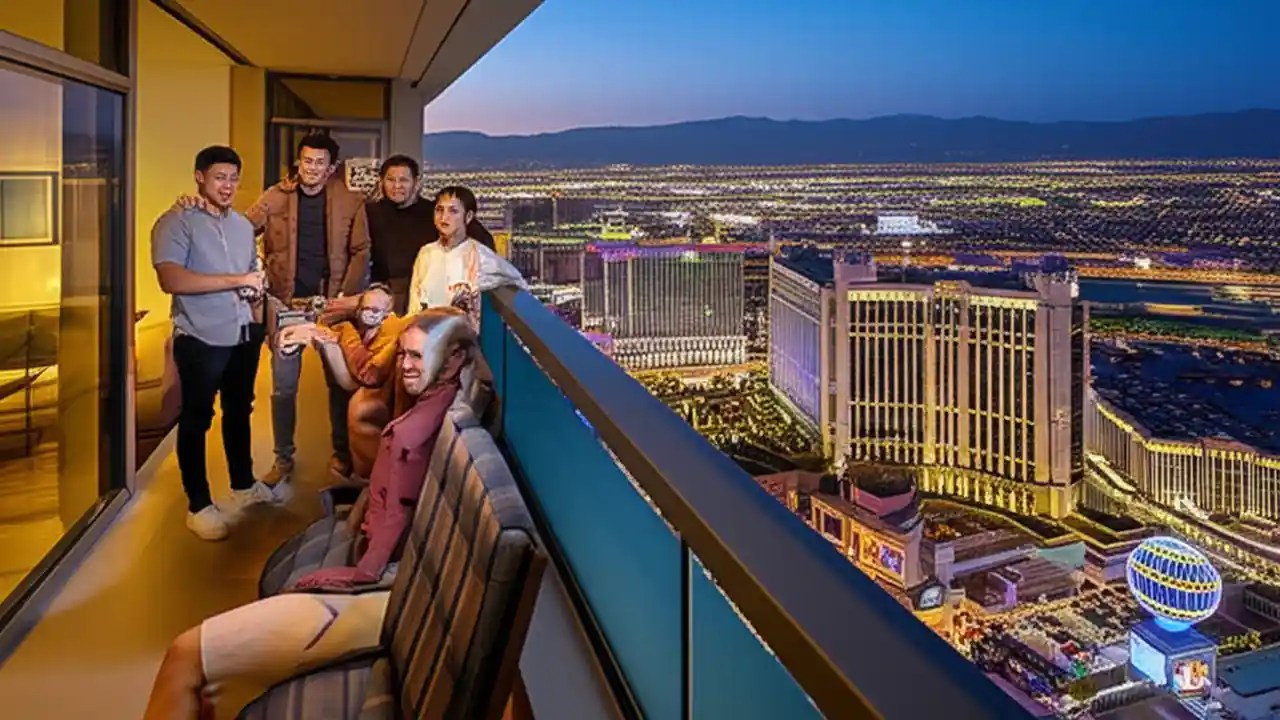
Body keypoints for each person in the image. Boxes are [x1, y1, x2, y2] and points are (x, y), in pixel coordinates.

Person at [142, 309, 476, 720]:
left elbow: (394, 520)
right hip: (391, 582)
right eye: (403, 355)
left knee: (184, 657)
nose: (405, 366)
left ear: (454, 358)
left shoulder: (414, 433)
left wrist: (354, 574)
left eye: (417, 358)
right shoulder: (440, 408)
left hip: (383, 598)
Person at [151, 146, 275, 541]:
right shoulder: (176, 221)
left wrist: (254, 291)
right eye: (220, 177)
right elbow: (172, 280)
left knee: (239, 410)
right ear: (200, 176)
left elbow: (251, 274)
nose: (228, 185)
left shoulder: (241, 226)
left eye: (234, 178)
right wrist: (237, 281)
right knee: (196, 418)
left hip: (242, 331)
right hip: (200, 336)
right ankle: (198, 504)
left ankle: (242, 484)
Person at [246, 133, 371, 487]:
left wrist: (346, 296)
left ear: (331, 168)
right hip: (287, 306)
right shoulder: (275, 196)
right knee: (283, 387)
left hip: (331, 307)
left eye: (320, 163)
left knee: (339, 384)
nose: (312, 169)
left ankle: (342, 455)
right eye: (307, 161)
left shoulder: (351, 200)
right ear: (298, 161)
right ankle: (283, 459)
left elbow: (362, 250)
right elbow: (242, 229)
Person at [366, 156, 500, 314]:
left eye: (403, 180)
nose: (397, 186)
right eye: (390, 180)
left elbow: (480, 237)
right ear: (381, 181)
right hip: (384, 294)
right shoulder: (371, 213)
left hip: (429, 291)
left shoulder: (434, 212)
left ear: (417, 183)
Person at [407, 186, 526, 325]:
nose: (444, 217)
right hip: (427, 335)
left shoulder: (481, 255)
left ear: (468, 216)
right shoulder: (426, 253)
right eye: (439, 210)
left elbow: (517, 283)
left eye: (453, 211)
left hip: (464, 337)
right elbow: (414, 303)